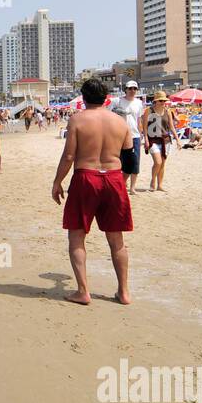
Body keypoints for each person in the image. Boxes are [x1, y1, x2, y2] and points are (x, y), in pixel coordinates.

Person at [51, 79, 133, 305]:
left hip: (86, 177)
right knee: (117, 240)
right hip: (114, 178)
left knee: (77, 236)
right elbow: (130, 159)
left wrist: (57, 182)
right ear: (106, 97)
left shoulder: (77, 120)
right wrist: (121, 181)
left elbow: (69, 156)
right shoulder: (120, 122)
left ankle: (83, 291)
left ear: (84, 97)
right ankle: (124, 292)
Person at [109, 81, 145, 194]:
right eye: (130, 88)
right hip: (118, 135)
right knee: (119, 161)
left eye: (135, 88)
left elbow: (139, 120)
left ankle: (132, 187)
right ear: (125, 89)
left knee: (135, 161)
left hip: (134, 136)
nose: (132, 91)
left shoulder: (139, 103)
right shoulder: (117, 101)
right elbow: (108, 114)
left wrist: (142, 135)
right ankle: (120, 183)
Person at [143, 91, 179, 191]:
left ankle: (160, 185)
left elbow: (172, 127)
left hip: (166, 140)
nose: (163, 102)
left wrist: (178, 140)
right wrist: (145, 139)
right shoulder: (148, 111)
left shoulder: (168, 111)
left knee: (163, 163)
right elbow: (145, 128)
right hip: (153, 140)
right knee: (158, 162)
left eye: (164, 100)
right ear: (156, 101)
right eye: (161, 100)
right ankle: (153, 180)